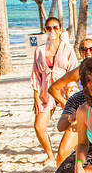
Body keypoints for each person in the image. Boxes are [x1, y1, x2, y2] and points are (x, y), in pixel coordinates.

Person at [50, 38, 92, 173]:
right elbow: (53, 89)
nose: (88, 52)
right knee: (62, 152)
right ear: (80, 52)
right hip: (82, 117)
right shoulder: (78, 72)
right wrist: (68, 108)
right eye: (84, 49)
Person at [31, 16, 79, 163]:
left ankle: (76, 152)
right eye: (49, 28)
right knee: (39, 126)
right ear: (45, 30)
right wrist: (36, 97)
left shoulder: (68, 49)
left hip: (66, 90)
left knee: (72, 124)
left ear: (60, 30)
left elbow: (74, 71)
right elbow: (35, 75)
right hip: (46, 92)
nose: (52, 30)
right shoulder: (39, 51)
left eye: (55, 28)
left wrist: (71, 95)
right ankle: (50, 154)